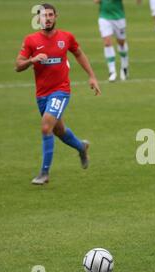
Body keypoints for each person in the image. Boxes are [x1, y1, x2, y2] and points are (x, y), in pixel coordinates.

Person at [15, 3, 101, 185]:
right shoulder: (31, 40)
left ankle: (44, 174)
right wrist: (32, 60)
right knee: (59, 130)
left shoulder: (66, 37)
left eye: (50, 15)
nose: (47, 18)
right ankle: (81, 147)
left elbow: (79, 54)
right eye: (44, 15)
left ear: (56, 16)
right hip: (41, 95)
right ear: (38, 18)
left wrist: (92, 76)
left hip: (61, 91)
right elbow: (18, 65)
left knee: (46, 127)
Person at [94, 0, 130, 81]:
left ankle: (124, 66)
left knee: (121, 43)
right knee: (107, 42)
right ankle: (112, 71)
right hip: (104, 17)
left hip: (119, 17)